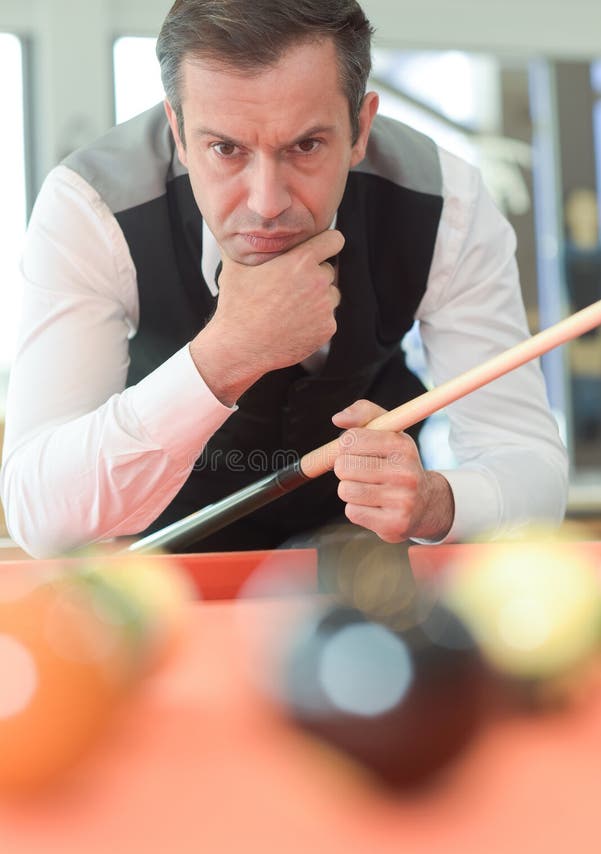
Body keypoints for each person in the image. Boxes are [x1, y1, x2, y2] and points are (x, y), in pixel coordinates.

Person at [0, 0, 568, 559]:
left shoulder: (448, 204)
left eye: (305, 146)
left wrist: (435, 503)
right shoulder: (91, 206)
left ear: (360, 126)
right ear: (178, 131)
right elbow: (38, 514)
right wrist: (227, 353)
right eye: (225, 148)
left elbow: (529, 467)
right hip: (163, 589)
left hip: (367, 586)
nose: (267, 204)